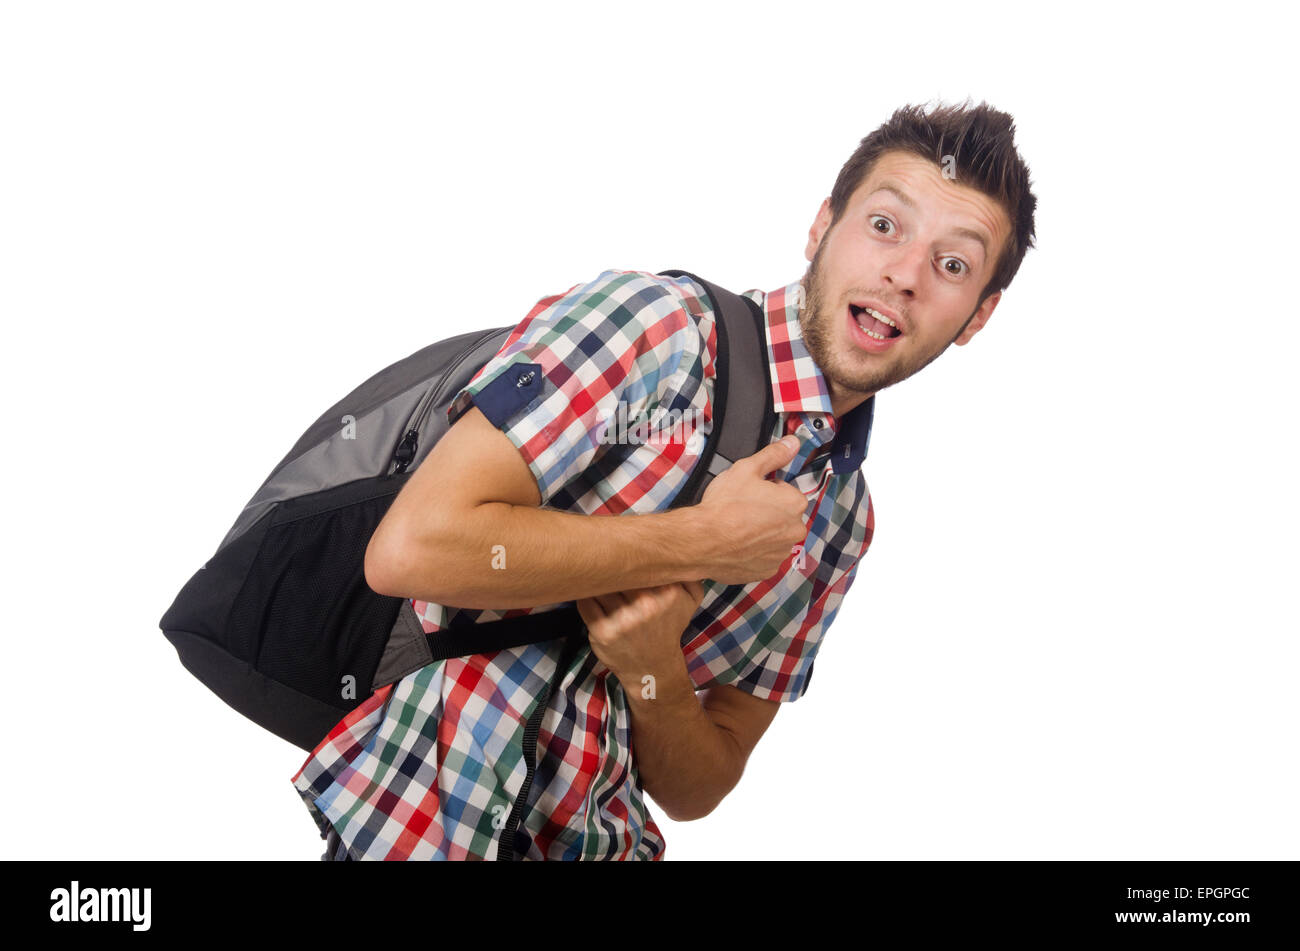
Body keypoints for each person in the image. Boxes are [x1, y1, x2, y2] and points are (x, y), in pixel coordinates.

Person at [298, 99, 1038, 861]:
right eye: (885, 225)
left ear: (977, 316)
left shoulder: (843, 521)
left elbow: (698, 788)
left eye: (954, 264)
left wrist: (653, 671)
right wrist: (698, 541)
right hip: (425, 817)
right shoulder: (659, 328)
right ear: (822, 226)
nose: (905, 274)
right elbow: (410, 549)